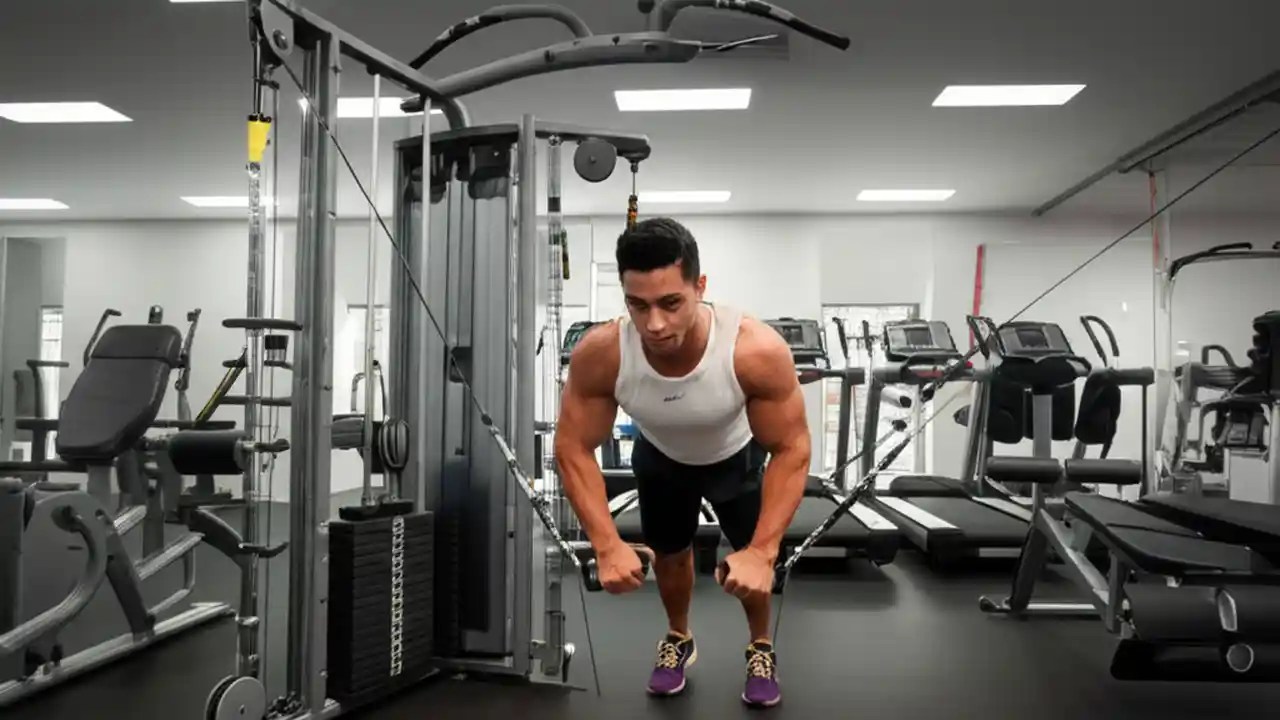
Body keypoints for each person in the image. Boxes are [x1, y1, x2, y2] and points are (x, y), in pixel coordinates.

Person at [554, 217, 810, 708]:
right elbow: (572, 447)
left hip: (733, 456)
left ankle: (761, 645)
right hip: (661, 457)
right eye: (638, 304)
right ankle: (678, 637)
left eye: (671, 303)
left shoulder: (753, 349)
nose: (654, 324)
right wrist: (606, 544)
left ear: (700, 286)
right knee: (670, 555)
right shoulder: (603, 353)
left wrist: (763, 552)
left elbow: (792, 448)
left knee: (750, 559)